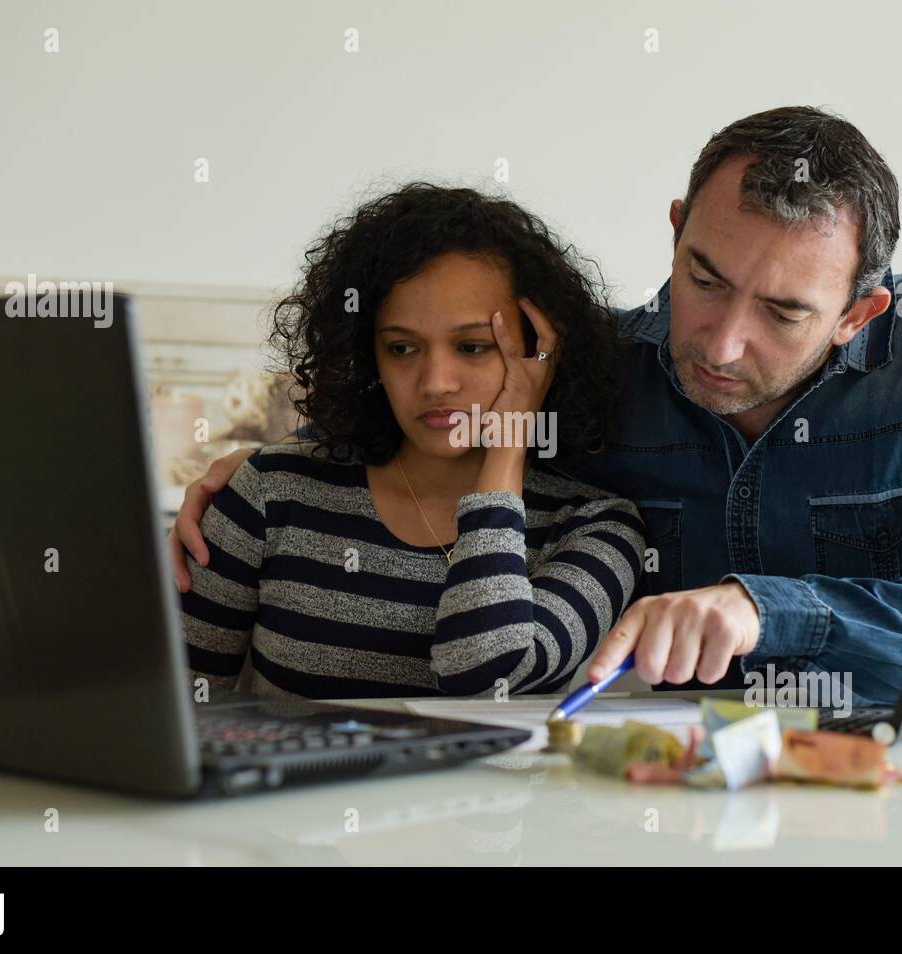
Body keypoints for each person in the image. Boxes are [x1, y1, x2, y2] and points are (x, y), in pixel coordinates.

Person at [177, 107, 902, 709]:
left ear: (859, 312)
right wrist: (258, 469)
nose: (721, 342)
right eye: (703, 278)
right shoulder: (598, 370)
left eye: (783, 313)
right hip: (657, 802)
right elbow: (442, 411)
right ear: (675, 228)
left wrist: (766, 612)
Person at [176, 183, 646, 698]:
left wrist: (508, 449)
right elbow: (179, 711)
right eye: (402, 348)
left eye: (472, 347)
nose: (434, 381)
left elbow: (487, 675)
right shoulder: (267, 494)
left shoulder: (597, 527)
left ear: (540, 353)